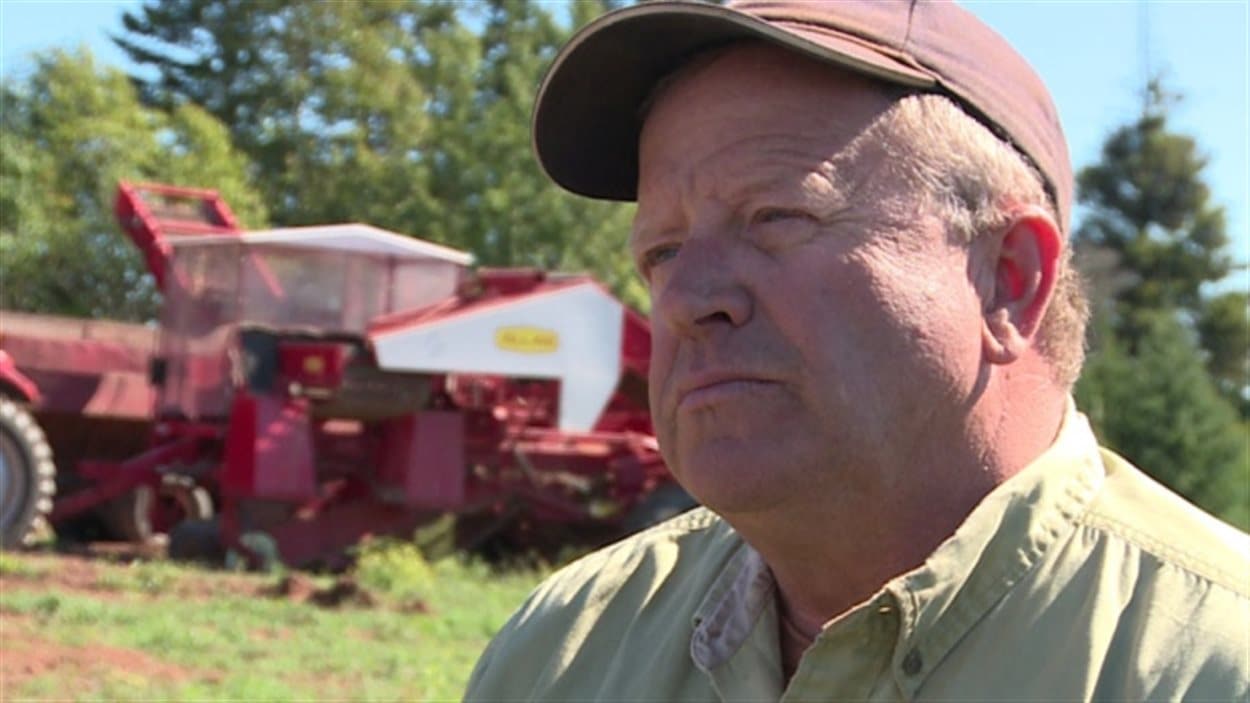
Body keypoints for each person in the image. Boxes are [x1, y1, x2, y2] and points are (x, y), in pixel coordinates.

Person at [465, 1, 1250, 700]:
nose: (685, 299)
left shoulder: (1215, 663)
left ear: (1007, 278)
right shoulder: (559, 651)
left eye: (775, 217)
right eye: (662, 251)